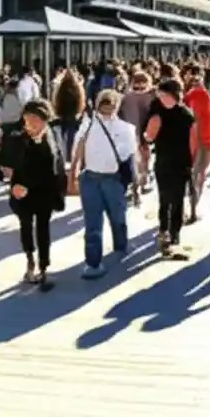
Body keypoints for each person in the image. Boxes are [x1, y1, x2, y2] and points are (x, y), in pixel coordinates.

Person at [2, 99, 66, 291]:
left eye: (36, 118)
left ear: (45, 120)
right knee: (26, 226)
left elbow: (58, 163)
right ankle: (30, 260)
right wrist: (10, 183)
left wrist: (61, 189)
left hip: (45, 190)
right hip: (23, 190)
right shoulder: (16, 137)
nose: (31, 122)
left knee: (43, 228)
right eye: (28, 118)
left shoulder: (52, 135)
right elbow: (5, 164)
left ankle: (44, 267)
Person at [72, 88, 136, 279]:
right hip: (90, 178)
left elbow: (128, 155)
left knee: (118, 217)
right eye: (104, 104)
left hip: (113, 180)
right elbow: (77, 150)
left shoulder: (125, 128)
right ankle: (93, 263)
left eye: (111, 104)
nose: (108, 108)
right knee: (92, 224)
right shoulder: (87, 125)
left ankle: (121, 243)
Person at [143, 79, 195, 260]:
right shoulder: (183, 114)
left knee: (175, 199)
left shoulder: (170, 114)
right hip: (166, 161)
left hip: (178, 162)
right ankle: (166, 231)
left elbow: (149, 137)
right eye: (160, 95)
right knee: (167, 198)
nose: (161, 98)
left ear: (173, 95)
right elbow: (149, 137)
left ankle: (172, 234)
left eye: (164, 95)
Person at [182, 64, 210, 225]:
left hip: (193, 136)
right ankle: (193, 208)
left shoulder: (188, 97)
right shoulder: (205, 96)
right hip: (205, 136)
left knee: (193, 174)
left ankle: (189, 209)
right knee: (199, 174)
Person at [118, 70, 156, 204]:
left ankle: (137, 185)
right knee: (143, 160)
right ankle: (140, 184)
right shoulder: (152, 97)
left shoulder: (125, 98)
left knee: (136, 161)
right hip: (142, 134)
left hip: (133, 134)